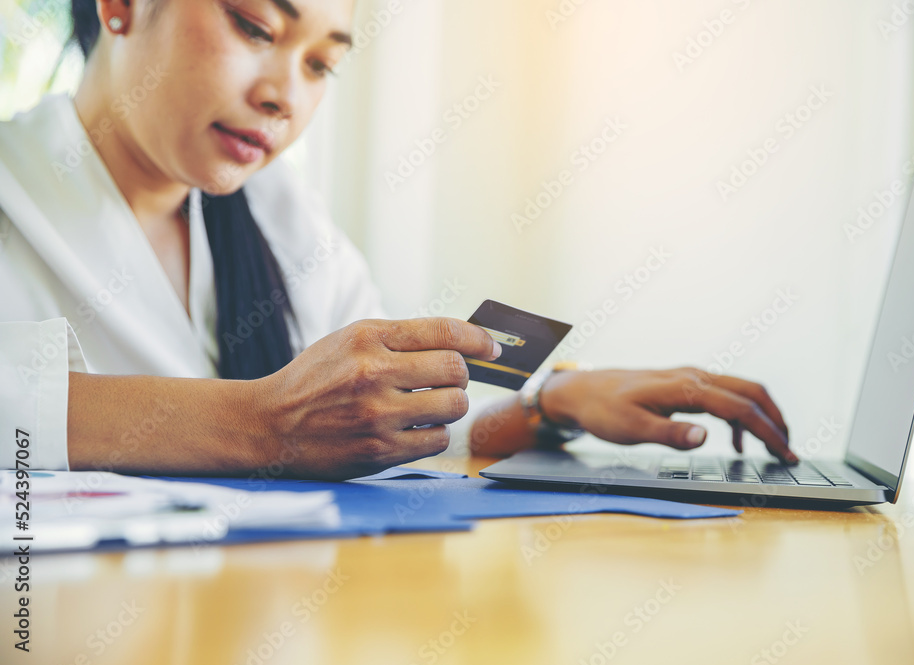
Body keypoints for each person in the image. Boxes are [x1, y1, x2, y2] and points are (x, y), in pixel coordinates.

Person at [0, 0, 797, 481]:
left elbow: (389, 432)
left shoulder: (284, 218)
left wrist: (550, 405)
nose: (283, 95)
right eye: (254, 27)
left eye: (320, 66)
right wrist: (261, 422)